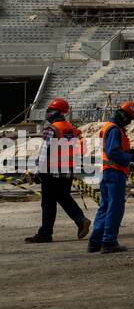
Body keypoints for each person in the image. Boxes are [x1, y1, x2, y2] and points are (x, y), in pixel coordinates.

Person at [24, 99, 91, 244]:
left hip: (51, 172)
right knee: (63, 197)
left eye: (50, 110)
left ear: (58, 112)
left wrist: (36, 170)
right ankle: (80, 220)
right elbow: (81, 150)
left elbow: (44, 152)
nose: (48, 113)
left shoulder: (52, 129)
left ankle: (45, 234)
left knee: (48, 203)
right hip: (67, 171)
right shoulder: (72, 129)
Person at [88, 101, 134, 253]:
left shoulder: (110, 127)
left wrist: (131, 152)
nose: (130, 122)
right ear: (124, 116)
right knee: (115, 207)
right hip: (115, 172)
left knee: (105, 206)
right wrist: (130, 157)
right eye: (130, 118)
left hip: (106, 171)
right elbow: (113, 152)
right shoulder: (114, 129)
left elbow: (113, 149)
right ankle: (109, 241)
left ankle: (95, 241)